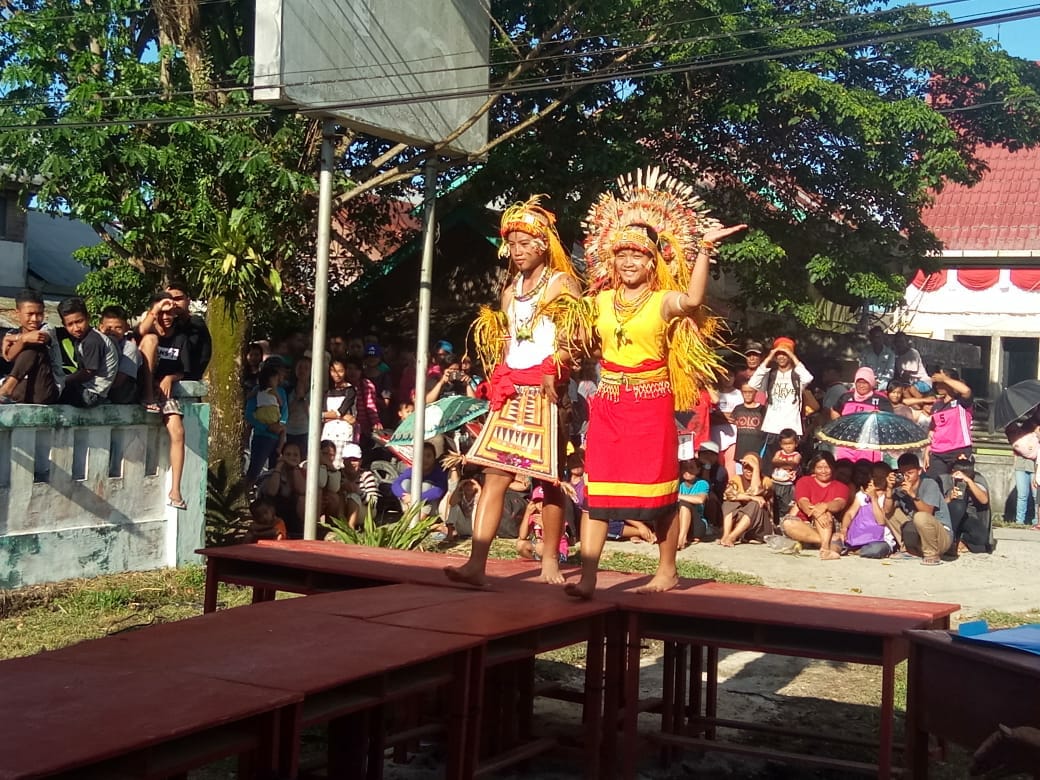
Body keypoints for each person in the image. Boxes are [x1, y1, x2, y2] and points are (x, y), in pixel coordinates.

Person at [563, 169, 746, 598]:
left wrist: (703, 249)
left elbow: (694, 300)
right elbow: (578, 338)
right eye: (622, 254)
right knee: (598, 490)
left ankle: (667, 569)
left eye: (637, 256)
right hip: (608, 402)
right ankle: (588, 576)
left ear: (652, 262)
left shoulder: (663, 300)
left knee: (659, 489)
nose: (628, 262)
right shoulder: (599, 302)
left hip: (650, 403)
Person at [444, 196, 581, 587]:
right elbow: (509, 343)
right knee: (494, 475)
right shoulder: (510, 292)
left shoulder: (561, 283)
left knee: (549, 480)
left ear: (542, 244)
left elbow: (573, 336)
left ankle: (551, 562)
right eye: (514, 244)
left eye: (525, 244)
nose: (517, 252)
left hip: (547, 390)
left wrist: (557, 369)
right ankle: (476, 562)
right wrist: (498, 375)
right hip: (511, 390)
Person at [137, 293, 193, 509]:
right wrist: (157, 307)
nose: (167, 316)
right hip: (143, 385)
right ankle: (147, 396)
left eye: (171, 313)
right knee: (150, 340)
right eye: (163, 312)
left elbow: (184, 371)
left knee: (178, 431)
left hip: (165, 393)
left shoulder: (180, 338)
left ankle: (176, 490)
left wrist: (170, 377)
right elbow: (141, 331)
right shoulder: (148, 332)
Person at [748, 336, 814, 462]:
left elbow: (808, 378)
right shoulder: (770, 375)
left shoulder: (797, 376)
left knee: (790, 466)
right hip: (771, 429)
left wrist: (793, 357)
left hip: (792, 431)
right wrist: (768, 358)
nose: (782, 357)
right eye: (779, 354)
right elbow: (753, 383)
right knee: (769, 466)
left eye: (785, 354)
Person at [780, 452, 850, 560]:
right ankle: (826, 541)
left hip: (828, 524)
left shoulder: (841, 487)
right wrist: (817, 511)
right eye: (819, 467)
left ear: (832, 468)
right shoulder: (804, 481)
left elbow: (839, 503)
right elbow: (803, 502)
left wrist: (825, 506)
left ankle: (824, 548)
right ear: (814, 469)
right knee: (788, 523)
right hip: (805, 523)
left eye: (827, 467)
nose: (823, 471)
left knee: (825, 512)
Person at [0, 289, 64, 404]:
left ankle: (7, 388)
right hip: (22, 387)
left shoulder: (48, 328)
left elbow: (39, 337)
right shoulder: (12, 332)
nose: (34, 319)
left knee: (34, 345)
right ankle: (8, 388)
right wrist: (22, 339)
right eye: (30, 314)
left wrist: (19, 339)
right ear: (17, 313)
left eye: (39, 314)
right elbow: (9, 357)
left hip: (46, 388)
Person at [55, 297, 118, 408]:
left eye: (79, 321)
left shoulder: (92, 341)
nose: (76, 328)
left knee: (50, 392)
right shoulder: (84, 336)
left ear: (88, 318)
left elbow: (88, 373)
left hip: (91, 394)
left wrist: (64, 379)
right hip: (89, 390)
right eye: (70, 324)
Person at [891, 452, 952, 565]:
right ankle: (909, 550)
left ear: (919, 471)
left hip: (940, 536)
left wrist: (912, 495)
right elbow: (886, 511)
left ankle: (932, 554)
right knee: (890, 512)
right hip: (917, 536)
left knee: (920, 516)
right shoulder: (899, 487)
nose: (906, 477)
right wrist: (888, 491)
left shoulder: (929, 484)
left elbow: (927, 512)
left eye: (910, 473)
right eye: (902, 473)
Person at [829, 367, 892, 462]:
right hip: (846, 443)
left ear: (871, 383)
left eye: (865, 382)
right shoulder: (846, 396)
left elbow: (889, 419)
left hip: (869, 445)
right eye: (859, 382)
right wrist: (838, 425)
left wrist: (880, 417)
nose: (861, 386)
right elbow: (834, 410)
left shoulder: (881, 399)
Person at [840, 462, 898, 558]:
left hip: (879, 540)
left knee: (876, 549)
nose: (878, 480)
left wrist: (874, 499)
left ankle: (855, 550)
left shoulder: (889, 497)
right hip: (858, 536)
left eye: (882, 476)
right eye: (875, 476)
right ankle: (847, 548)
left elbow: (881, 521)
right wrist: (844, 529)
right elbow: (850, 513)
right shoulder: (861, 494)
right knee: (835, 539)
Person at [244, 360, 288, 485]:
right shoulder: (258, 390)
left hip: (277, 435)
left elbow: (284, 411)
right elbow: (249, 415)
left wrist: (280, 425)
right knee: (255, 470)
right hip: (261, 435)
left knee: (275, 471)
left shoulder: (281, 392)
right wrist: (266, 427)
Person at [925, 369, 974, 477]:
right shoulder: (937, 405)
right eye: (937, 383)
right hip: (938, 453)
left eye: (942, 383)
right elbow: (933, 429)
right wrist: (928, 449)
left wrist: (945, 379)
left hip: (959, 450)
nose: (938, 386)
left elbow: (966, 391)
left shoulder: (962, 401)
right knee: (936, 484)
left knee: (959, 484)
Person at [718, 453, 772, 547]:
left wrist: (755, 468)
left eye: (751, 468)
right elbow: (728, 495)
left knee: (755, 504)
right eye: (745, 467)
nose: (748, 470)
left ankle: (732, 537)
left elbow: (755, 491)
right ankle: (726, 535)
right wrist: (750, 497)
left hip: (760, 526)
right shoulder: (737, 478)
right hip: (741, 523)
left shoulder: (766, 480)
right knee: (729, 503)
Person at [943, 455, 992, 555]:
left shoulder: (977, 479)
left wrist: (969, 481)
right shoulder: (944, 480)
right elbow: (935, 505)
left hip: (968, 516)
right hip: (949, 515)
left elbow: (984, 500)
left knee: (981, 537)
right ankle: (950, 542)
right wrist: (949, 498)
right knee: (958, 505)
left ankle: (962, 540)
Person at [257, 441, 306, 537]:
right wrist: (279, 467)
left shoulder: (303, 473)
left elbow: (302, 490)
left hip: (293, 518)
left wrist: (294, 468)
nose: (292, 457)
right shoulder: (271, 473)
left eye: (295, 455)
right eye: (288, 454)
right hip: (274, 515)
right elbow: (271, 492)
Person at [99, 305, 142, 405]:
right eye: (109, 328)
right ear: (101, 327)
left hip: (121, 394)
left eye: (118, 328)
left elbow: (119, 381)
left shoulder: (129, 348)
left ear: (126, 328)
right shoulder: (96, 344)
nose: (113, 332)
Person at [392, 441, 449, 516]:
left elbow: (438, 491)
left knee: (426, 485)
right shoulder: (412, 470)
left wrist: (416, 498)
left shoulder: (439, 472)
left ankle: (420, 518)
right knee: (405, 483)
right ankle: (408, 515)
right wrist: (405, 496)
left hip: (432, 507)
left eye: (428, 456)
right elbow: (395, 484)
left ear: (434, 458)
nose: (425, 460)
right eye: (422, 456)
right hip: (410, 503)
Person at [321, 357, 358, 468]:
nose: (337, 374)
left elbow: (341, 411)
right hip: (328, 433)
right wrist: (341, 417)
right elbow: (323, 416)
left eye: (340, 371)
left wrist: (336, 415)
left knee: (340, 467)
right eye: (333, 371)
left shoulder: (350, 390)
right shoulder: (327, 391)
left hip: (343, 435)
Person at [340, 443, 379, 528]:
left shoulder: (366, 475)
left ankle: (350, 528)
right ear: (343, 461)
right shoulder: (338, 474)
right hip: (342, 509)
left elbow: (374, 503)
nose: (351, 463)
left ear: (360, 461)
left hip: (363, 511)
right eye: (348, 459)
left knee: (353, 496)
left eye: (355, 460)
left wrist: (358, 492)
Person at [769, 429, 802, 523]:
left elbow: (794, 463)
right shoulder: (779, 453)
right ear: (780, 444)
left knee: (786, 504)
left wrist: (780, 463)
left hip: (787, 485)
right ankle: (775, 521)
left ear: (796, 443)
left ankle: (783, 522)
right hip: (775, 482)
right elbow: (774, 461)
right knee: (775, 503)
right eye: (785, 444)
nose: (787, 447)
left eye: (790, 444)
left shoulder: (796, 455)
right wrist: (787, 463)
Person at [676, 459, 710, 548]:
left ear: (698, 470)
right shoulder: (677, 483)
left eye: (691, 468)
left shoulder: (702, 483)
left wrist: (677, 496)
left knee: (685, 504)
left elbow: (700, 499)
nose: (687, 471)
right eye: (685, 468)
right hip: (678, 521)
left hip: (697, 525)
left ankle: (681, 539)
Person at [731, 383, 766, 462]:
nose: (747, 395)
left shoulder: (762, 409)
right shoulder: (738, 409)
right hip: (740, 449)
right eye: (744, 392)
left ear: (755, 392)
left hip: (756, 448)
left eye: (750, 392)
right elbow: (733, 423)